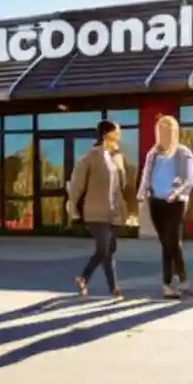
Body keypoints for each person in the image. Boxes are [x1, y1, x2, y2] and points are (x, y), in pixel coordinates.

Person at [137, 114, 193, 299]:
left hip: (175, 202)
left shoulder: (183, 152)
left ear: (175, 132)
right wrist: (142, 192)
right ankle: (170, 284)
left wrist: (176, 193)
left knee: (173, 241)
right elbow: (146, 175)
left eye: (169, 130)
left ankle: (177, 278)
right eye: (161, 130)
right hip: (156, 202)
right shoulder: (152, 154)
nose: (165, 134)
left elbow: (189, 178)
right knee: (165, 242)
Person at [68, 119, 128, 300]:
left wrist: (120, 162)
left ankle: (113, 288)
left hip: (110, 212)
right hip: (95, 211)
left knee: (109, 250)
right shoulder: (91, 156)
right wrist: (73, 208)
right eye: (116, 133)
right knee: (103, 249)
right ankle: (84, 278)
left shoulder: (113, 157)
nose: (119, 136)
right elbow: (76, 184)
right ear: (106, 135)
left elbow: (122, 185)